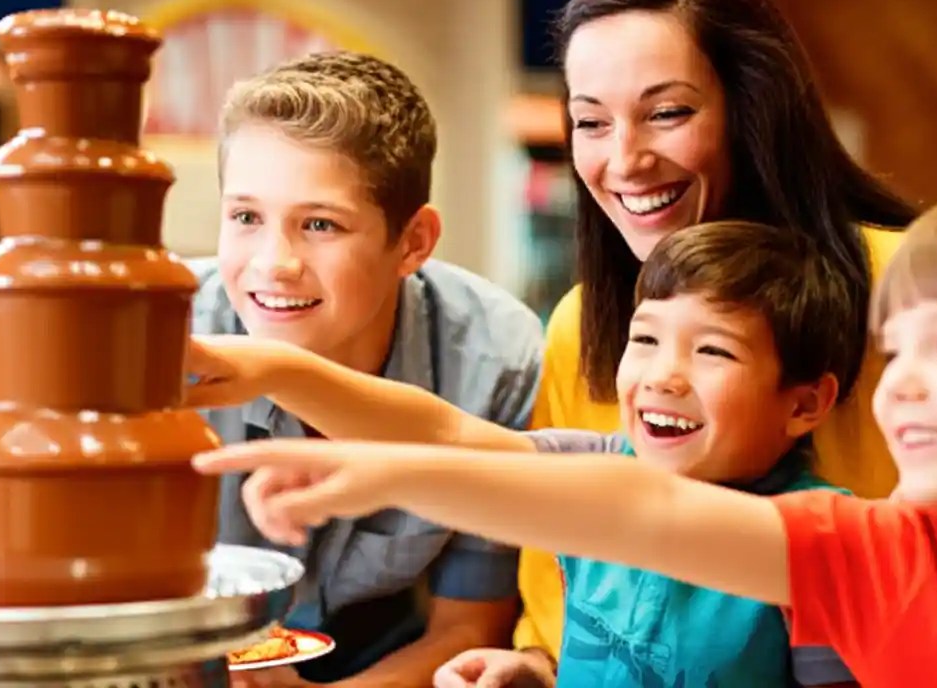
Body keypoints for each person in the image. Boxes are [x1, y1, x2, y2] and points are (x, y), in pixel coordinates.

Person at [191, 186, 937, 686]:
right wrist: (301, 396)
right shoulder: (877, 556)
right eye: (896, 346)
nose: (901, 383)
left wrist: (368, 467)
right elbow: (627, 498)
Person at [0, 51, 545, 688]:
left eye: (319, 224)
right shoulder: (154, 326)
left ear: (413, 242)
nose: (273, 263)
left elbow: (468, 629)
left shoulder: (493, 357)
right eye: (246, 217)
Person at [180, 221, 859, 686]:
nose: (662, 376)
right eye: (645, 340)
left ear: (805, 403)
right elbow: (449, 437)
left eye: (712, 351)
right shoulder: (597, 469)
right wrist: (539, 671)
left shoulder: (821, 543)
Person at [515, 0, 917, 665]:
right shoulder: (583, 324)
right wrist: (531, 666)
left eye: (667, 113)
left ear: (752, 107)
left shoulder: (914, 291)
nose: (625, 160)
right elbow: (555, 600)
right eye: (590, 122)